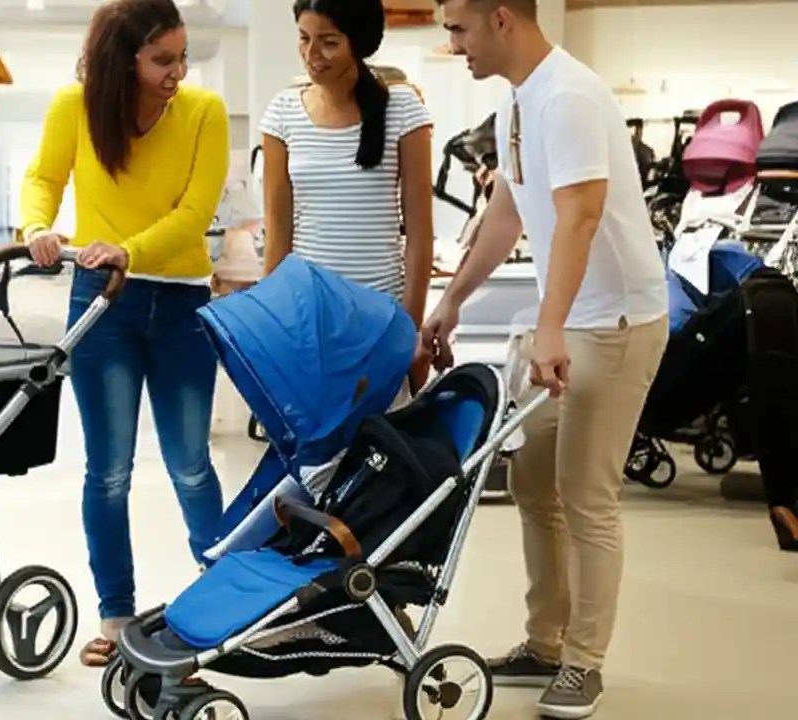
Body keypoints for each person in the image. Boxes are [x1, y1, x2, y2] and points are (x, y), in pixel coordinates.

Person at [425, 1, 669, 718]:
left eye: (459, 27)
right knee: (534, 486)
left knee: (587, 495)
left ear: (502, 18)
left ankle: (584, 663)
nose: (452, 43)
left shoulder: (569, 96)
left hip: (616, 323)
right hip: (564, 321)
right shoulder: (517, 104)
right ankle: (546, 642)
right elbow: (509, 211)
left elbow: (580, 216)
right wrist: (453, 300)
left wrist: (553, 324)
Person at [19, 0, 230, 668]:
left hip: (179, 302)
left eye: (182, 57)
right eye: (161, 60)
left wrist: (127, 250)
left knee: (190, 463)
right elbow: (43, 177)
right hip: (101, 304)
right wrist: (36, 227)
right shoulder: (73, 107)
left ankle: (224, 598)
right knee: (107, 470)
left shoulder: (203, 112)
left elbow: (196, 212)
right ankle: (115, 615)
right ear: (124, 59)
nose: (177, 71)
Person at [259, 0, 434, 398]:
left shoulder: (403, 109)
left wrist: (409, 327)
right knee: (316, 452)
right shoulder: (283, 113)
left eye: (328, 42)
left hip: (382, 316)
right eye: (304, 39)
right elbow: (278, 233)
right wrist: (269, 323)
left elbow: (421, 234)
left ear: (358, 42)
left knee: (382, 448)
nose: (311, 55)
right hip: (308, 317)